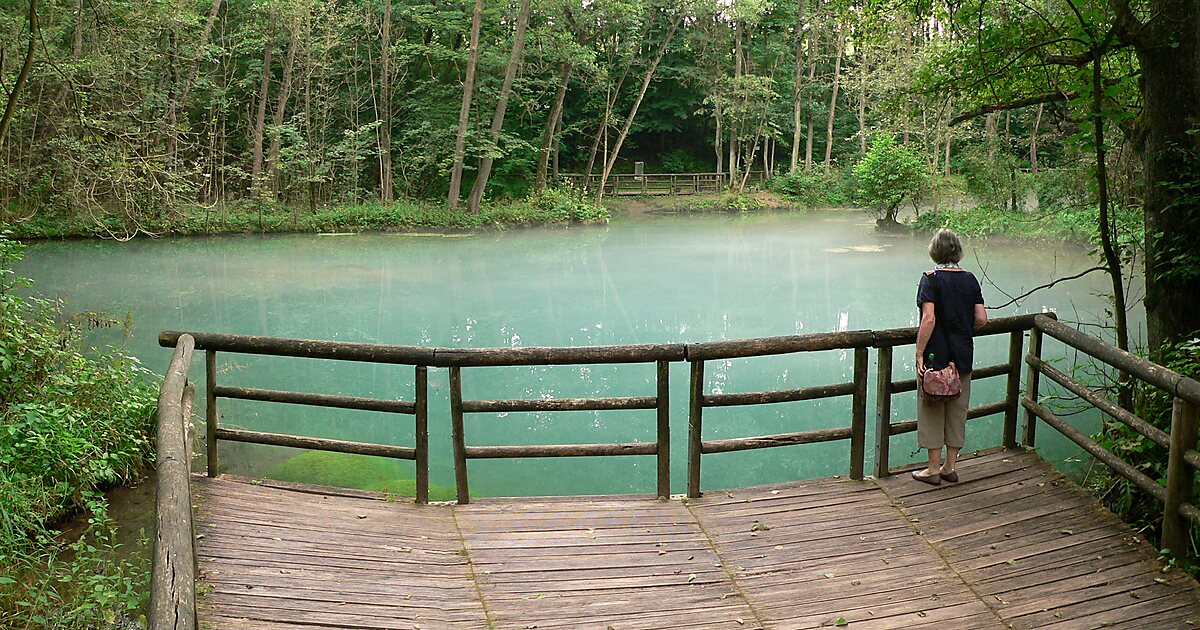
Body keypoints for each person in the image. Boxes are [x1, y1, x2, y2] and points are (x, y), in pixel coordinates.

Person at [912, 228, 987, 485]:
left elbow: (929, 318)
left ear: (935, 252)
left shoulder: (930, 279)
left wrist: (919, 352)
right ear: (957, 252)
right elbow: (982, 319)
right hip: (963, 356)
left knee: (932, 407)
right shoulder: (970, 279)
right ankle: (949, 467)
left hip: (936, 357)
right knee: (958, 409)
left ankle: (933, 469)